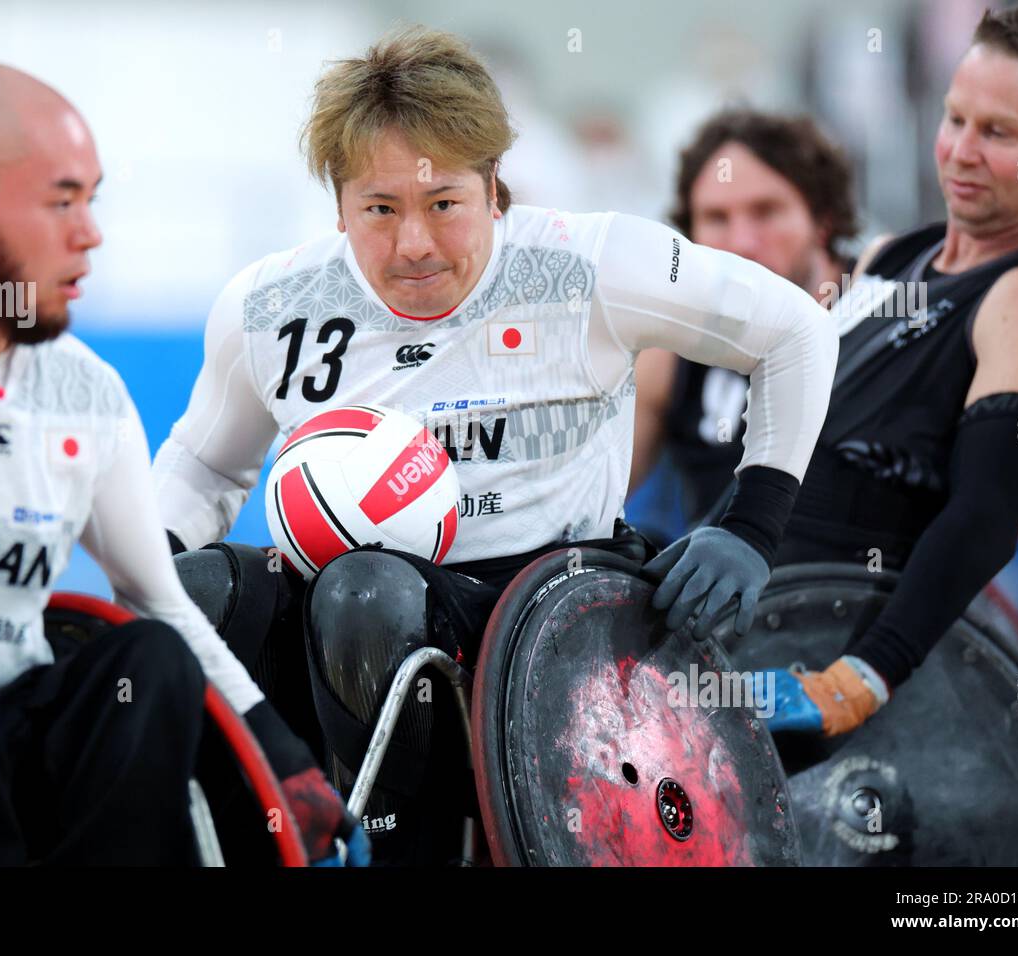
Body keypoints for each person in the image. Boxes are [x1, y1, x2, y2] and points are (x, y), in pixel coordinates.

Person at [154, 26, 838, 863]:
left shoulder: (590, 264)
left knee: (363, 593)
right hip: (357, 611)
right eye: (379, 209)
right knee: (185, 594)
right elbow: (204, 465)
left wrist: (752, 524)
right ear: (338, 208)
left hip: (553, 605)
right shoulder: (268, 306)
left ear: (494, 192)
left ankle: (408, 849)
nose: (414, 243)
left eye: (443, 202)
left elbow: (796, 330)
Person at [0, 62, 362, 866]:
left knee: (147, 661)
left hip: (13, 735)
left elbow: (160, 604)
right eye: (60, 201)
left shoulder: (85, 391)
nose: (90, 232)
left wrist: (285, 762)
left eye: (92, 198)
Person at [762, 0, 1018, 737]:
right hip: (758, 625)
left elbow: (986, 517)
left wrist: (860, 681)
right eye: (955, 118)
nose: (961, 150)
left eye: (997, 133)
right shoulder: (892, 257)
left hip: (842, 673)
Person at [630, 106, 1018, 540]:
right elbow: (596, 496)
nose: (742, 242)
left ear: (823, 221)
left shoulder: (895, 319)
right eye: (717, 218)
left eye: (766, 211)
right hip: (722, 598)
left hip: (862, 593)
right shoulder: (672, 349)